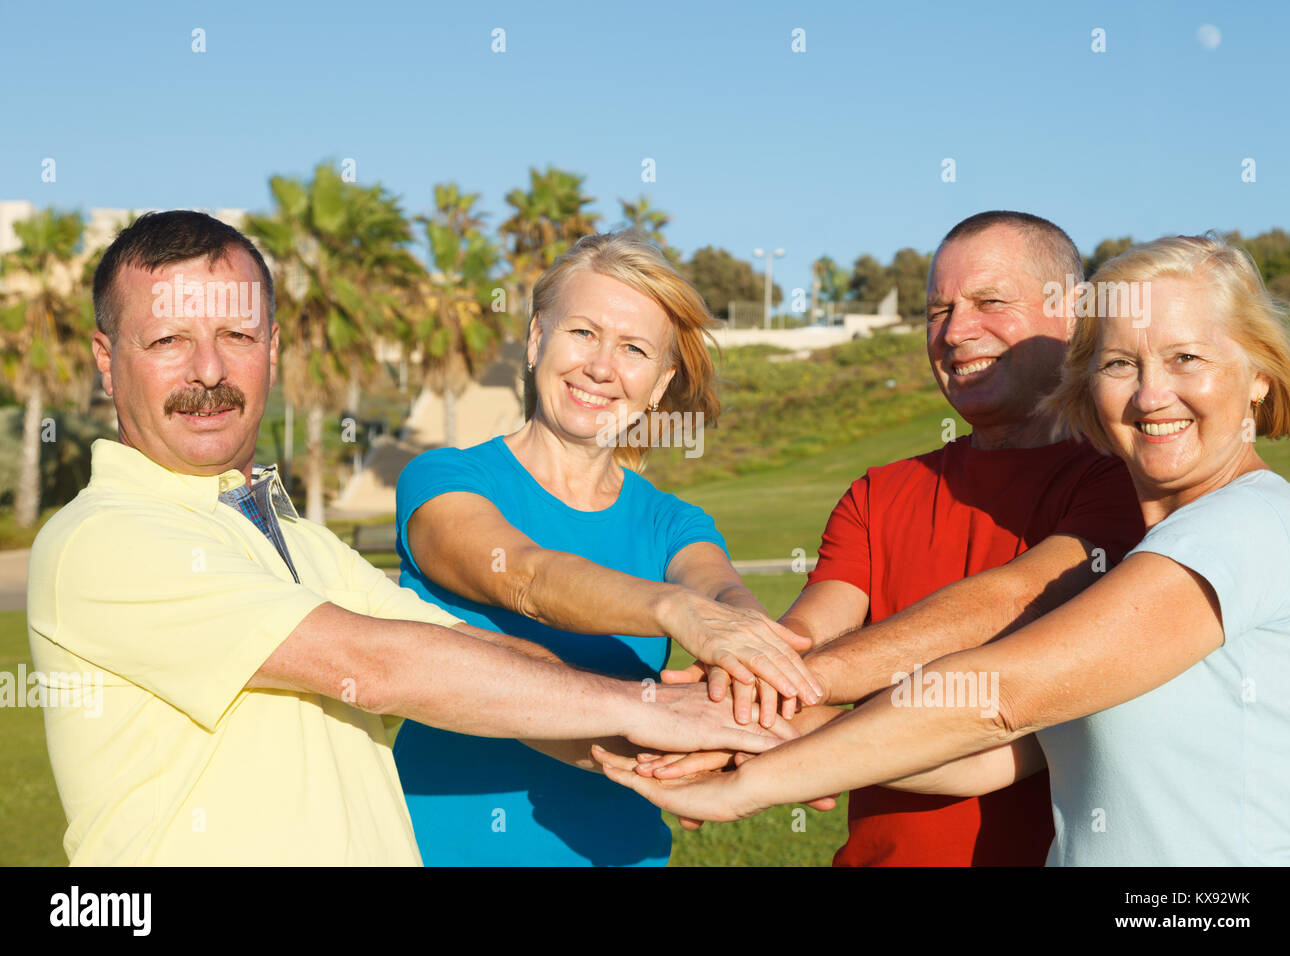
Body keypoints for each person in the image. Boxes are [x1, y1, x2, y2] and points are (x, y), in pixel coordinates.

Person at [25, 211, 791, 866]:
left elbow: (473, 652)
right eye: (167, 341)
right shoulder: (105, 536)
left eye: (236, 335)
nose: (209, 370)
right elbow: (379, 663)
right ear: (106, 360)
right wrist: (652, 699)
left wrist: (668, 750)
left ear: (274, 349)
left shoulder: (297, 540)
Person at [599, 233, 1290, 865]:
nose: (1152, 395)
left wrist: (745, 785)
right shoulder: (1167, 538)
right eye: (1121, 363)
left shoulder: (1246, 525)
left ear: (1260, 376)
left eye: (1187, 358)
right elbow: (986, 755)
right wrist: (764, 734)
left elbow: (1000, 695)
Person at [654, 210, 1147, 865]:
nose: (956, 331)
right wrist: (741, 684)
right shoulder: (879, 492)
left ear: (1075, 311)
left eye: (989, 302)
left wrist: (761, 702)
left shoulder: (1128, 484)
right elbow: (810, 633)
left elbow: (1011, 598)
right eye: (937, 310)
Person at [392, 231, 822, 866]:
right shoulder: (443, 481)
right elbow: (527, 579)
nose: (601, 367)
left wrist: (748, 660)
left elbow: (721, 591)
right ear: (537, 339)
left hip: (621, 853)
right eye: (583, 333)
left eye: (633, 349)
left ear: (659, 383)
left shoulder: (673, 521)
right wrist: (677, 612)